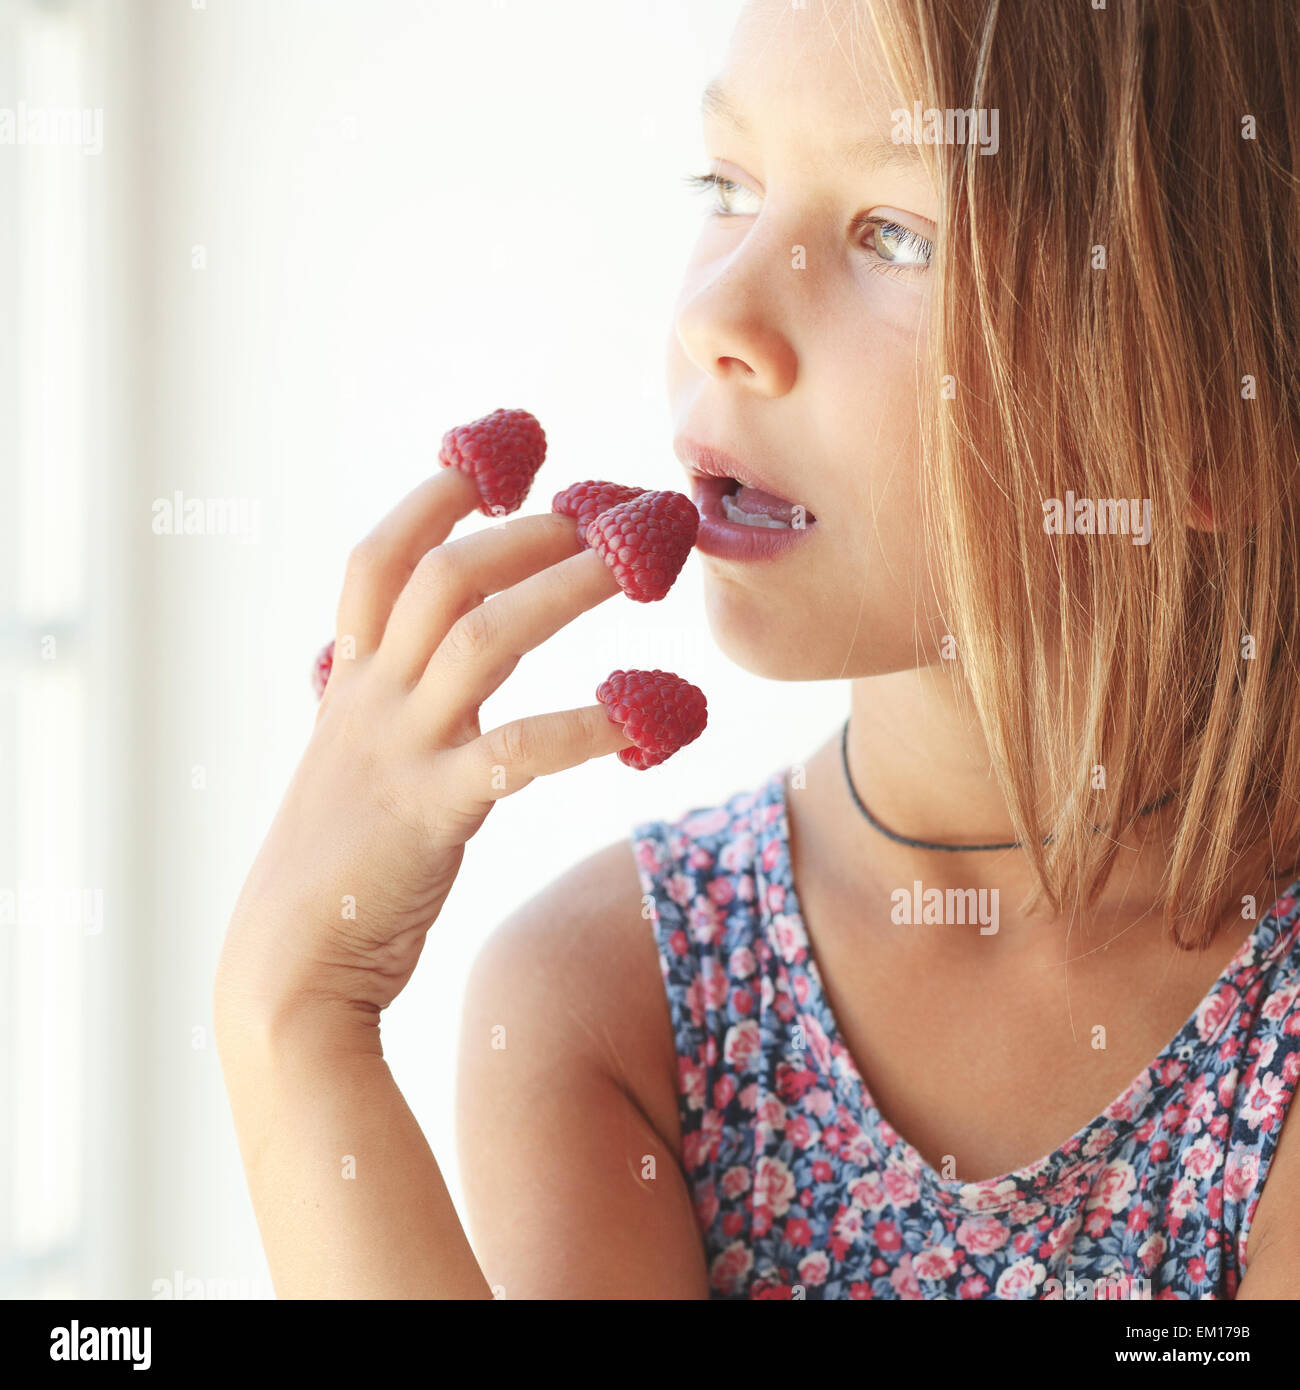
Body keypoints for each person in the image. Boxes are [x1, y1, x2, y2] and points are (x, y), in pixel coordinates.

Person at [214, 0, 1300, 1299]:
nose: (717, 312)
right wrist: (295, 1020)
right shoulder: (613, 1005)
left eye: (893, 233)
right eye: (729, 184)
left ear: (1216, 423)